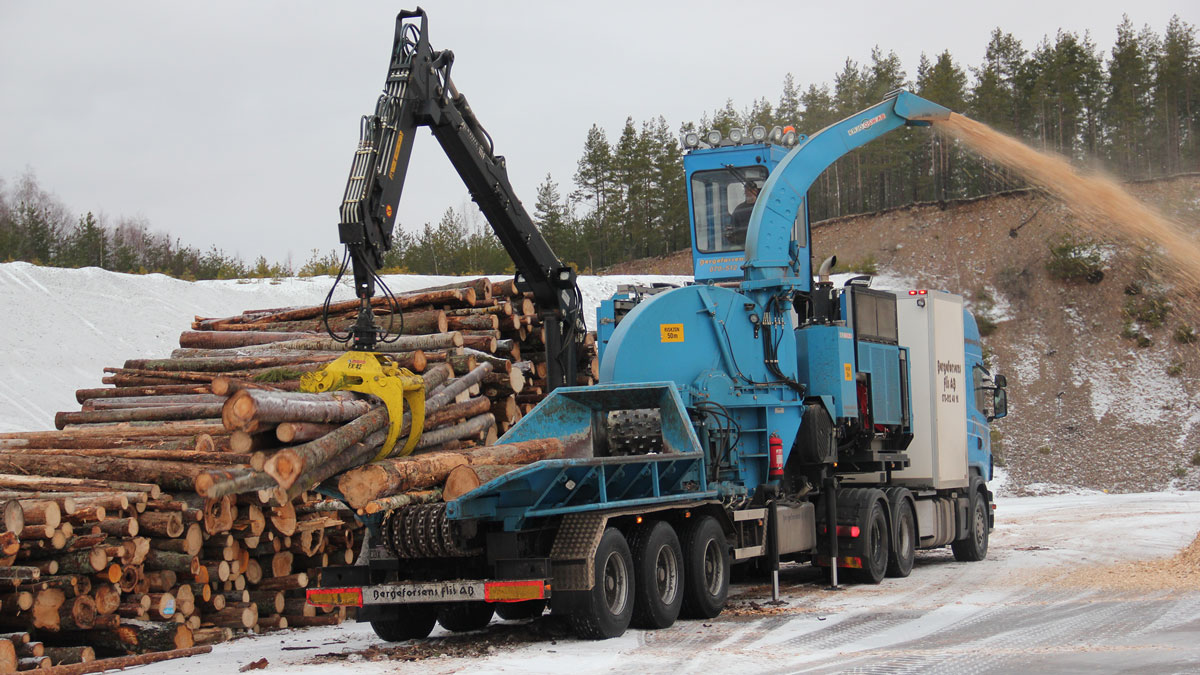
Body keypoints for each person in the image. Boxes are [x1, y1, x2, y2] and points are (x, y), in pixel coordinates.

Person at [726, 181, 760, 247]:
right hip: (743, 244)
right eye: (747, 191)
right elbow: (733, 228)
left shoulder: (762, 208)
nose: (749, 193)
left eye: (751, 190)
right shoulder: (739, 210)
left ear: (756, 191)